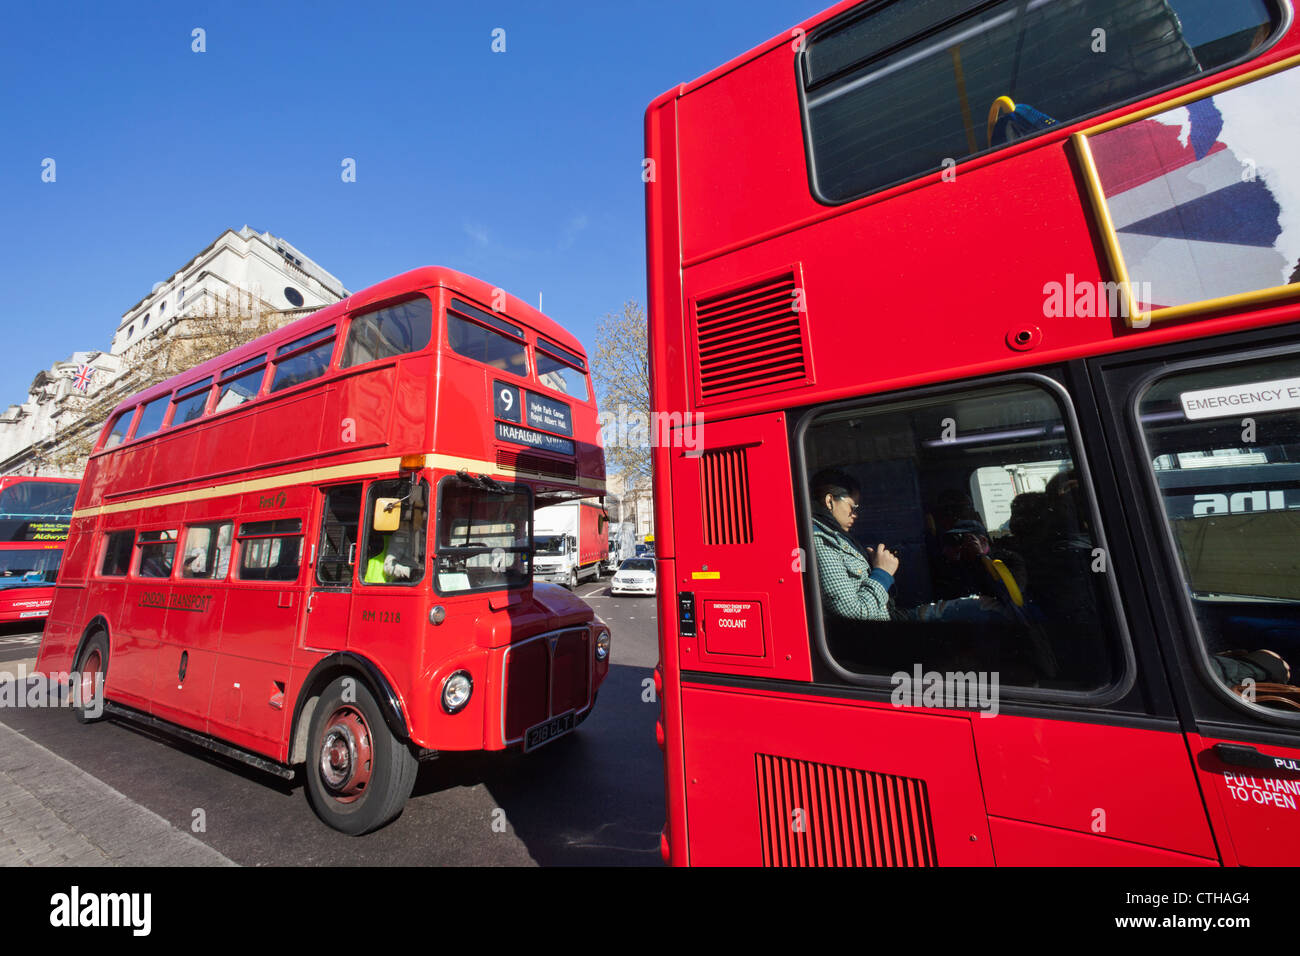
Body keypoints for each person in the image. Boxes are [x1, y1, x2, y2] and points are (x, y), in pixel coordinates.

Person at [809, 470, 900, 621]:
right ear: (829, 501)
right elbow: (853, 611)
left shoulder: (837, 537)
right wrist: (882, 573)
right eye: (853, 507)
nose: (855, 515)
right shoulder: (821, 541)